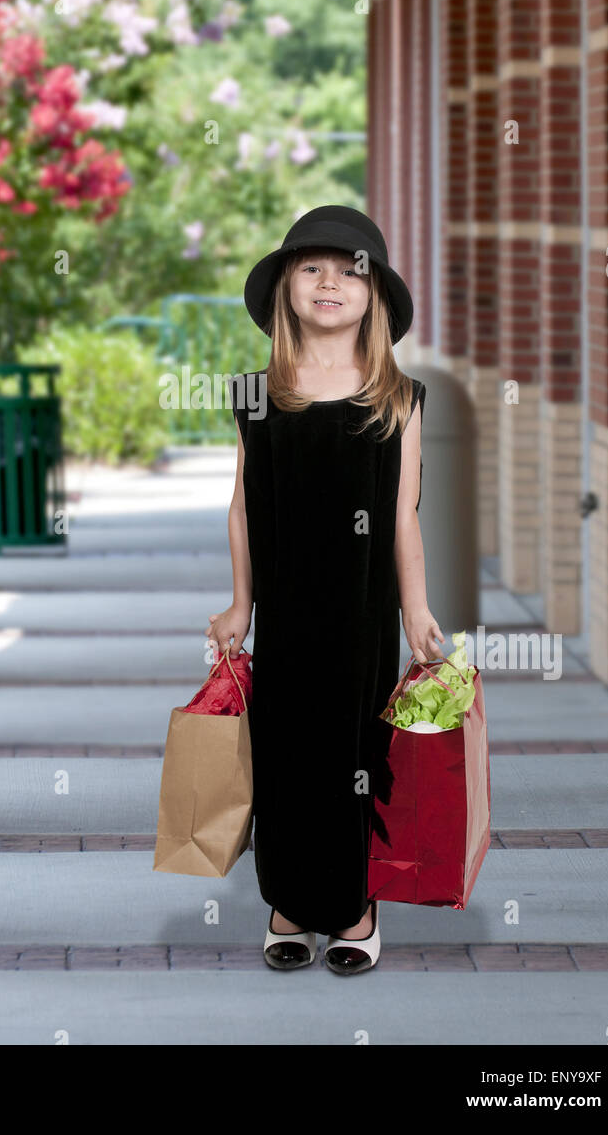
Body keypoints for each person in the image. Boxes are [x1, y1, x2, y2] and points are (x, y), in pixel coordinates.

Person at [206, 205, 443, 976]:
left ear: (374, 296)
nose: (331, 282)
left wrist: (418, 613)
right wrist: (240, 604)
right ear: (286, 289)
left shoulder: (398, 402)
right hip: (286, 612)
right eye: (312, 268)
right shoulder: (256, 397)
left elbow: (404, 516)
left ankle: (352, 906)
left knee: (358, 755)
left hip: (365, 617)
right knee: (286, 753)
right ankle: (286, 901)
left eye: (350, 270)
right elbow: (243, 507)